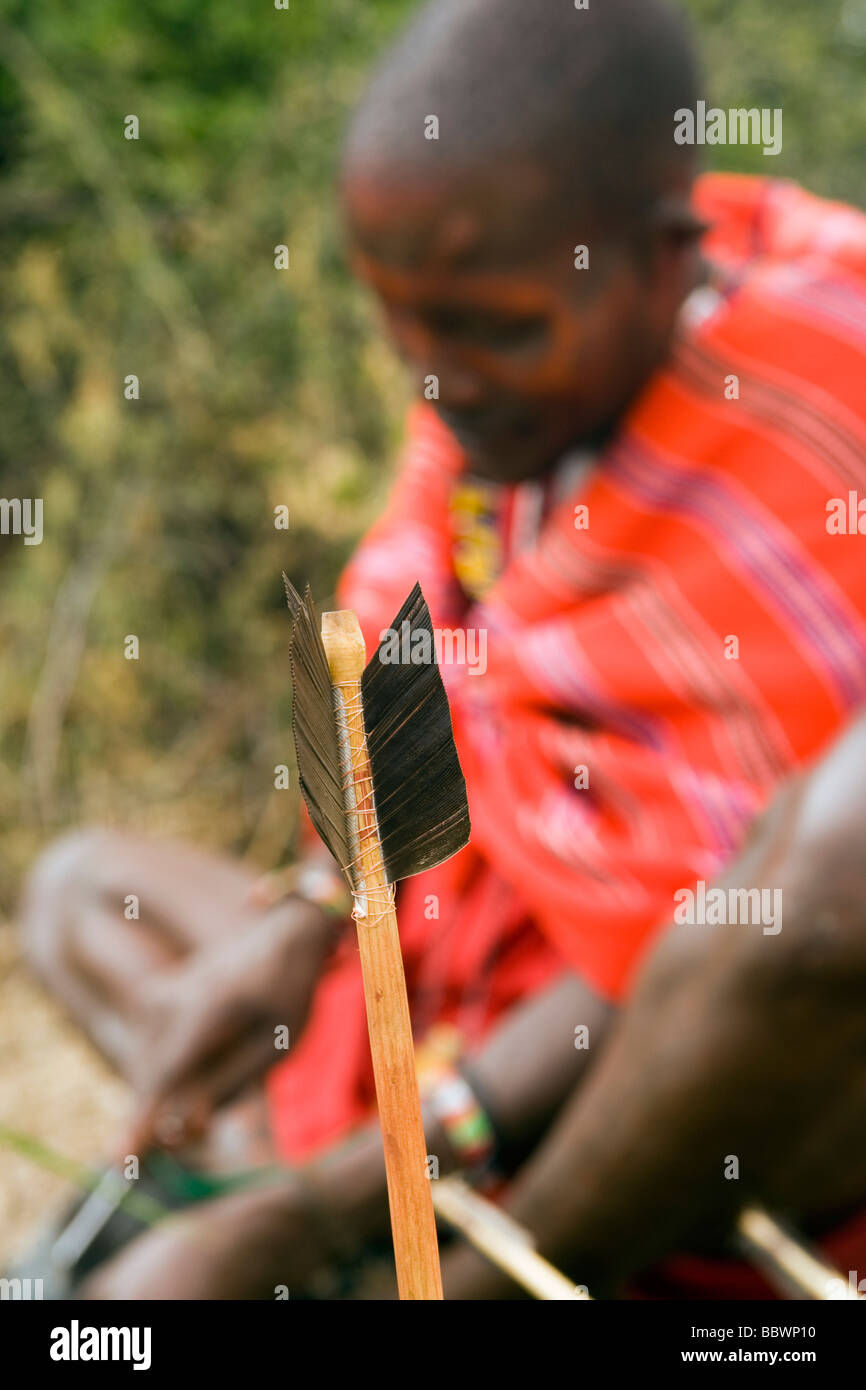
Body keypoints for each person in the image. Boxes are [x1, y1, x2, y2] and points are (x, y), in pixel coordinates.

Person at [20, 0, 866, 1297]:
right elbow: (425, 699)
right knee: (83, 889)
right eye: (400, 329)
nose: (435, 382)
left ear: (660, 257)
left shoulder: (808, 409)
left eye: (491, 331)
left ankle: (452, 1257)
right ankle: (332, 1192)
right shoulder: (507, 361)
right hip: (467, 997)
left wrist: (323, 1209)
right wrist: (305, 921)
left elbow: (705, 944)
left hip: (674, 1081)